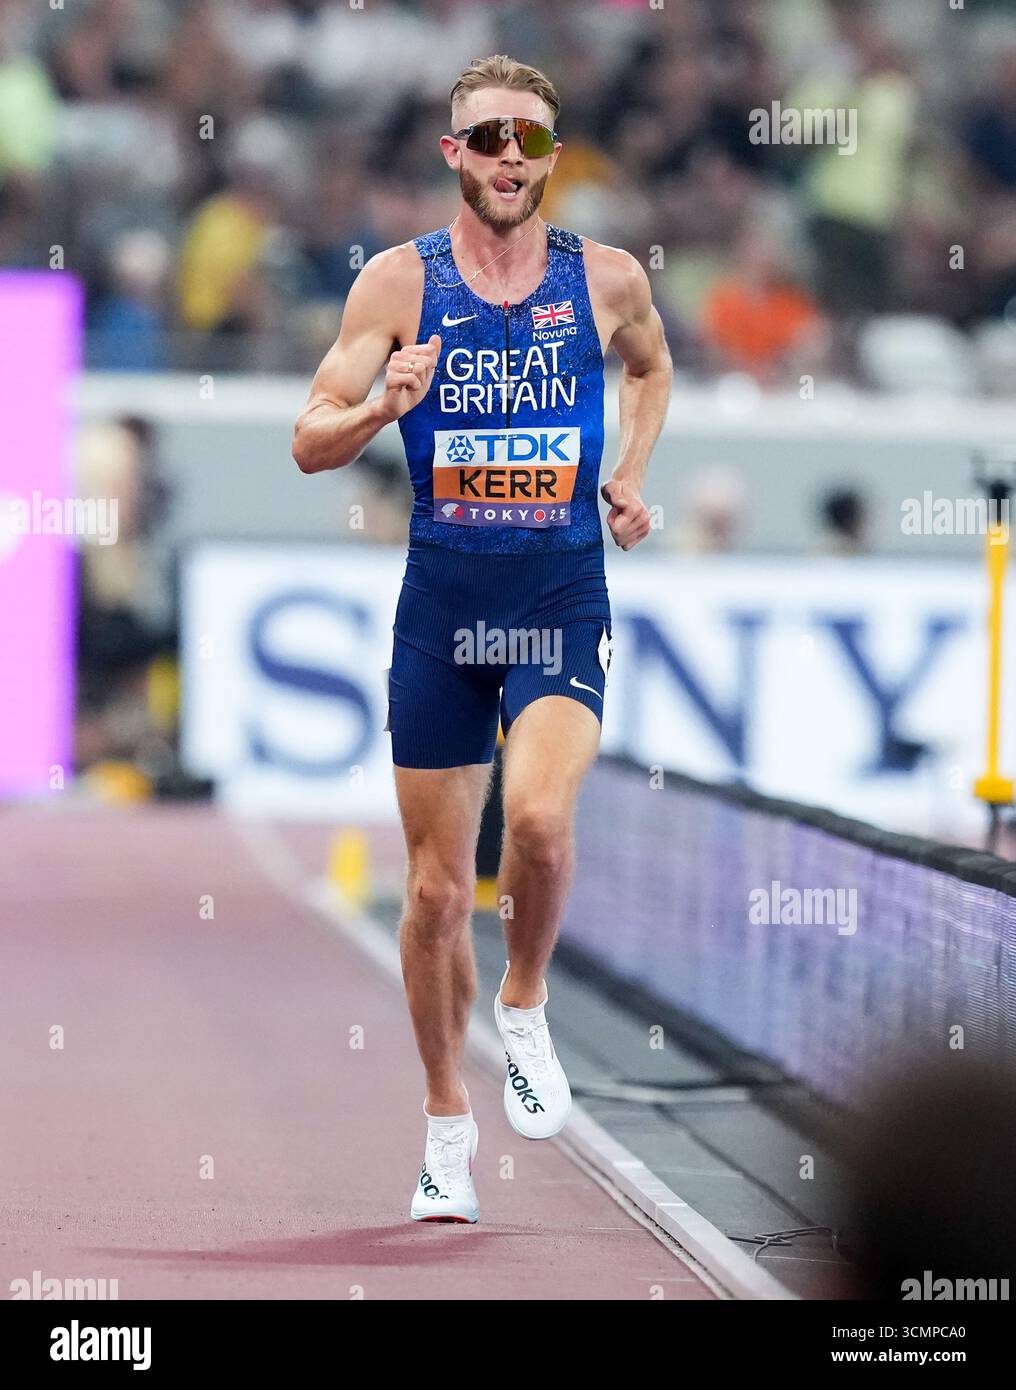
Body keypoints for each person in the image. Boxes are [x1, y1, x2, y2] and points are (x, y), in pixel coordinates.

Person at [292, 54, 672, 1223]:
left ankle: (522, 1002)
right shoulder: (394, 288)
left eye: (531, 138)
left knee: (544, 825)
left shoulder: (605, 279)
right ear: (451, 153)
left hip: (559, 595)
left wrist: (627, 474)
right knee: (431, 897)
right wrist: (378, 407)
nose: (511, 156)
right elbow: (309, 439)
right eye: (489, 137)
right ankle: (444, 1124)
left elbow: (653, 369)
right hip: (442, 609)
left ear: (553, 157)